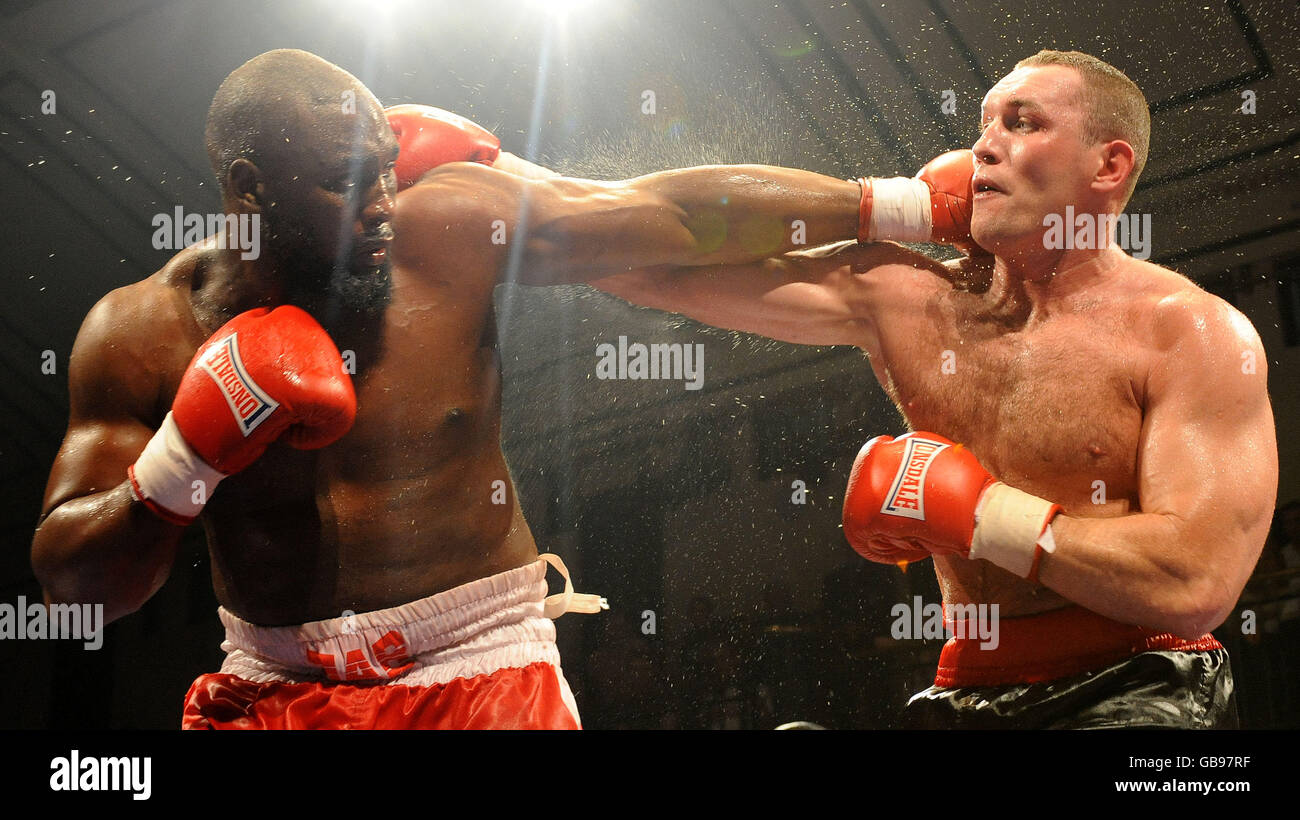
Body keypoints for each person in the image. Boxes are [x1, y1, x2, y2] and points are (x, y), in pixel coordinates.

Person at [30, 49, 913, 729]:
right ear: (246, 189)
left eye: (383, 166)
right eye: (344, 181)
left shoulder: (444, 229)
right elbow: (78, 590)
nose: (380, 202)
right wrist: (183, 460)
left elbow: (670, 218)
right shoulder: (141, 334)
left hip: (479, 663)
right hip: (276, 685)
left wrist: (896, 206)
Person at [595, 50, 1277, 728]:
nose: (983, 146)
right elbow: (641, 251)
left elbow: (1193, 582)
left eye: (1022, 122)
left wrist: (981, 515)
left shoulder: (1190, 332)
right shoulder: (910, 300)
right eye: (983, 125)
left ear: (1109, 166)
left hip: (1139, 688)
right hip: (961, 687)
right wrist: (897, 208)